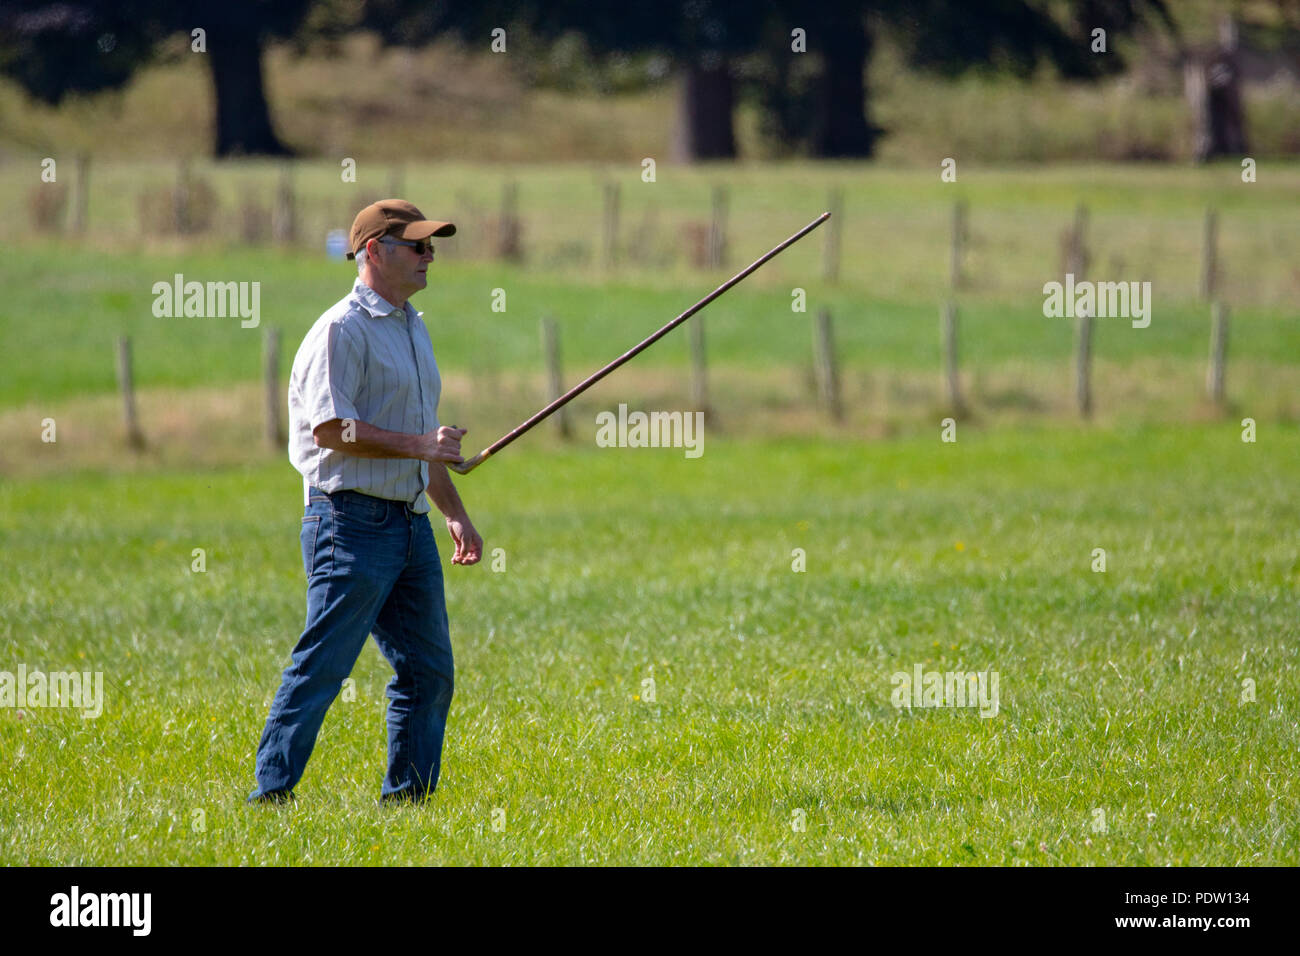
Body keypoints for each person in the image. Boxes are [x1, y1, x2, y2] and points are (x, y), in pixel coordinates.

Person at [248, 199, 482, 805]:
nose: (430, 257)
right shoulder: (340, 331)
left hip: (410, 525)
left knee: (429, 675)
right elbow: (332, 430)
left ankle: (407, 805)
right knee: (323, 667)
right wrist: (420, 444)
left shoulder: (412, 324)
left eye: (433, 247)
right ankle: (269, 798)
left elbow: (421, 432)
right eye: (418, 247)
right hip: (347, 523)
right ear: (373, 252)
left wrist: (454, 512)